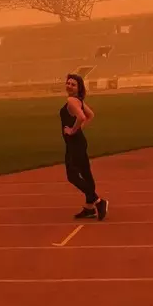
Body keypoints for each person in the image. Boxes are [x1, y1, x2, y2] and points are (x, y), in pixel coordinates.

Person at [60, 73, 108, 220]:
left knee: (72, 176)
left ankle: (98, 202)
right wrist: (79, 129)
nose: (69, 86)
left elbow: (82, 117)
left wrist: (73, 130)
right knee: (86, 174)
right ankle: (89, 208)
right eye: (68, 83)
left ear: (79, 87)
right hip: (79, 142)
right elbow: (90, 115)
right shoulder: (78, 100)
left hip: (74, 143)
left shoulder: (71, 100)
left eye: (73, 84)